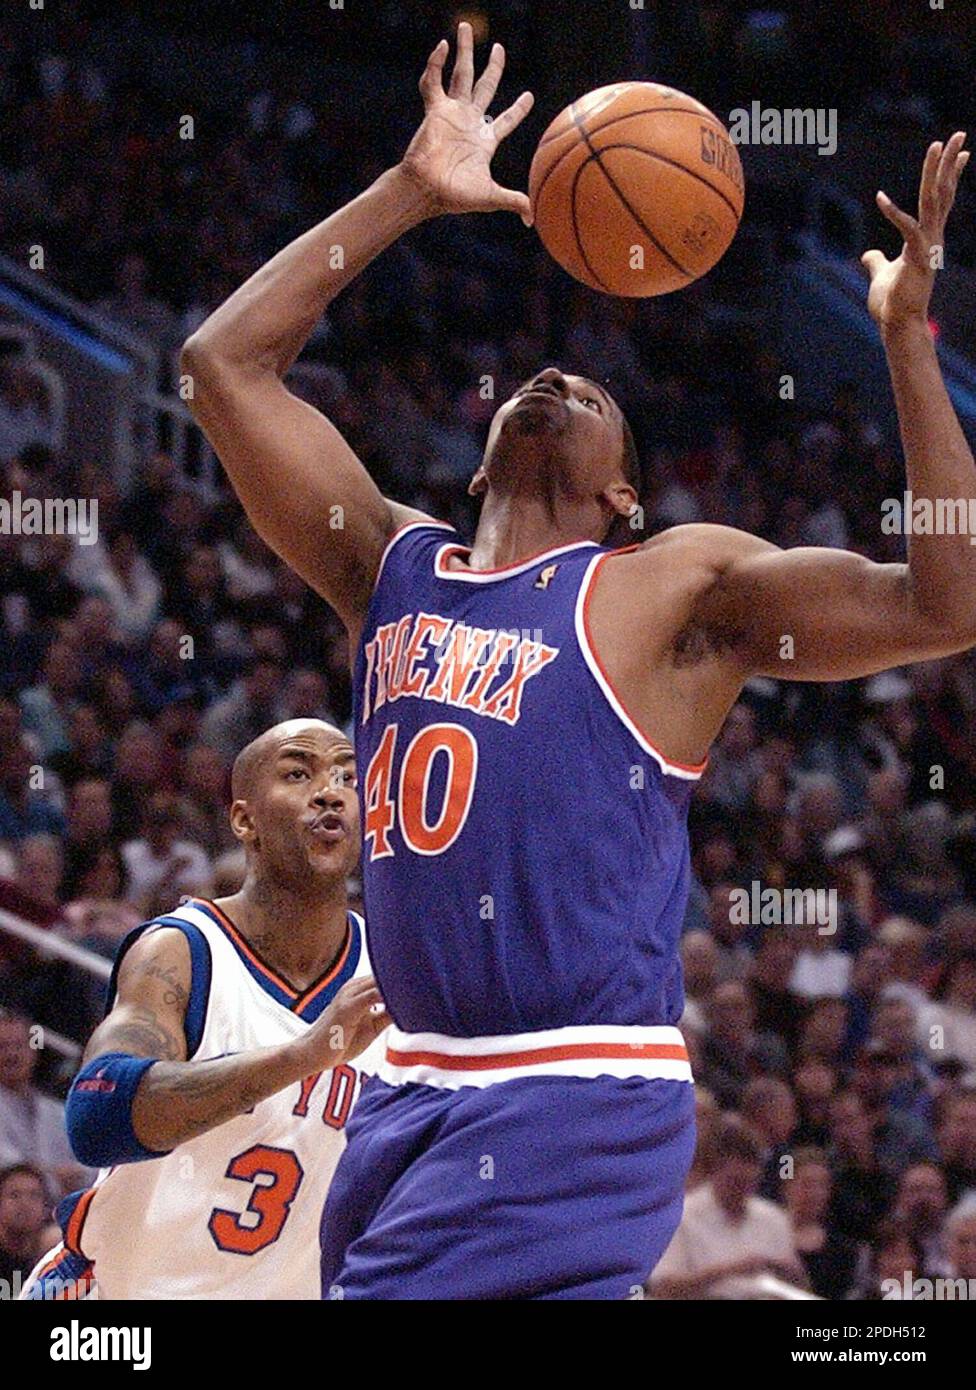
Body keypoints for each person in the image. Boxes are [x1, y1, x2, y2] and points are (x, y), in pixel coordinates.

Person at [182, 25, 976, 1299]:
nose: (556, 375)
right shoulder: (385, 562)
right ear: (480, 452)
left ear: (624, 494)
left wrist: (906, 344)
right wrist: (408, 192)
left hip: (569, 1079)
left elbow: (947, 601)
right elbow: (222, 366)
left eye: (597, 392)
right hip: (409, 1082)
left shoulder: (672, 588)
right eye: (537, 379)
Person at [21, 719, 387, 1300]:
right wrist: (305, 1054)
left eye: (347, 773)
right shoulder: (182, 950)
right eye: (298, 773)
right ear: (244, 820)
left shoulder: (394, 970)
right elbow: (96, 1120)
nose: (329, 789)